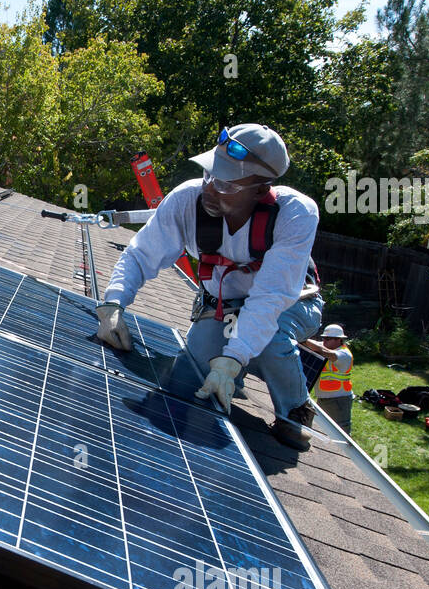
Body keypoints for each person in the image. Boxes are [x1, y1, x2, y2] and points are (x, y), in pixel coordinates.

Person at [95, 124, 323, 451]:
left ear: (260, 190)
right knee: (184, 384)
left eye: (226, 183)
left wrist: (233, 358)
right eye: (209, 174)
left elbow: (270, 298)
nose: (211, 189)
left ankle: (295, 409)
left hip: (292, 304)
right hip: (223, 305)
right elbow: (141, 254)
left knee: (269, 339)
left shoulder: (294, 214)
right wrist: (113, 305)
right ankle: (237, 365)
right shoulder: (188, 199)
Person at [306, 323, 354, 431]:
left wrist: (303, 339)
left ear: (339, 340)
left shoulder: (344, 355)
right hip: (324, 398)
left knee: (340, 431)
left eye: (328, 339)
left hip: (338, 401)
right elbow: (315, 344)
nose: (324, 341)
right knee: (322, 429)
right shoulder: (326, 345)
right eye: (323, 338)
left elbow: (325, 352)